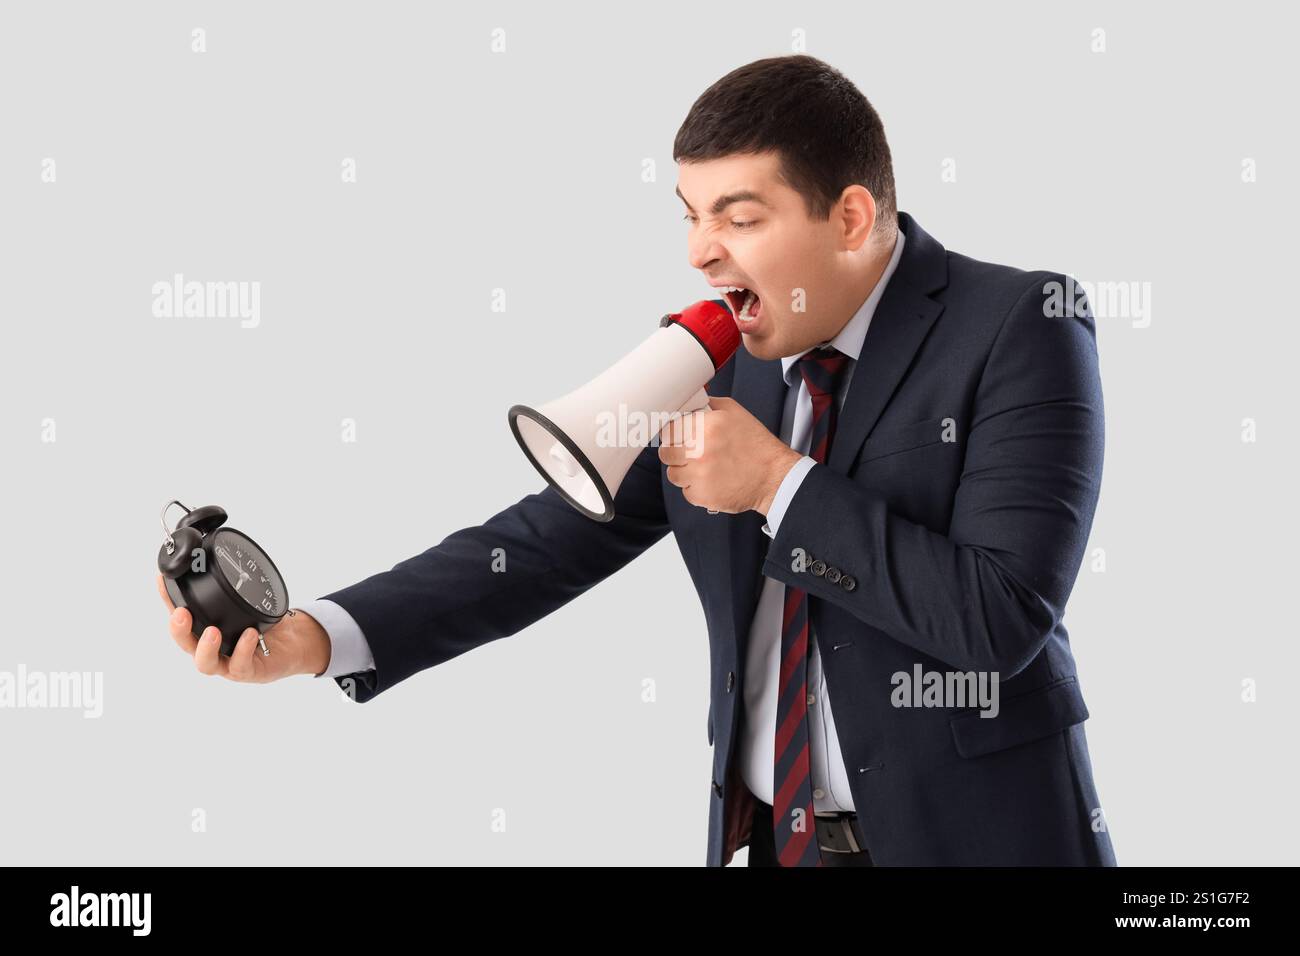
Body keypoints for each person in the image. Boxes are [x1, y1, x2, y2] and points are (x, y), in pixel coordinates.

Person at [159, 54, 1116, 868]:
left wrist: (780, 486)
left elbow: (1002, 616)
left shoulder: (1020, 324)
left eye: (739, 218)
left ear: (853, 217)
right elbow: (538, 545)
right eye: (691, 215)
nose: (703, 253)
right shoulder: (727, 363)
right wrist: (320, 637)